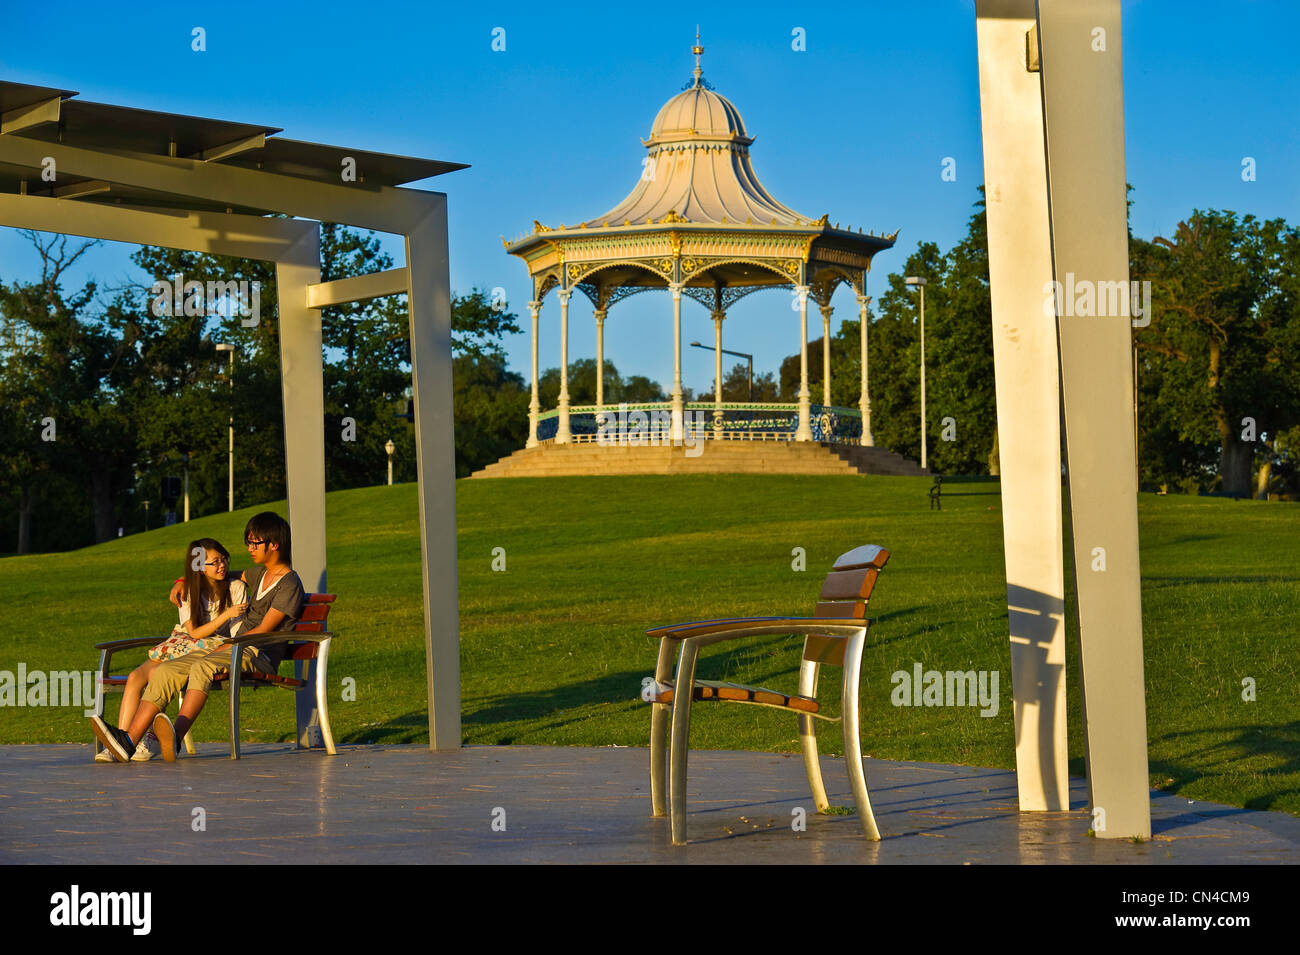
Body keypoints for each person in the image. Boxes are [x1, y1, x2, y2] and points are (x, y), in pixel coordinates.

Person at [91, 512, 305, 763]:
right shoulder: (259, 574)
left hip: (256, 652)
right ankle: (128, 741)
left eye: (254, 543)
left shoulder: (289, 584)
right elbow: (220, 572)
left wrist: (227, 646)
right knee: (166, 670)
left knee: (203, 667)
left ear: (274, 544)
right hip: (230, 648)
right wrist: (183, 580)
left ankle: (175, 737)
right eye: (248, 542)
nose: (249, 548)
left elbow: (265, 630)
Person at [96, 538, 248, 762]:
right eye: (215, 562)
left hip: (211, 649)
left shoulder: (235, 589)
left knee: (160, 673)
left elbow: (234, 635)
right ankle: (121, 743)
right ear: (198, 567)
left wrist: (227, 615)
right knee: (136, 676)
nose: (222, 565)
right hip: (186, 644)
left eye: (224, 559)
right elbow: (194, 632)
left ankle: (141, 741)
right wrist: (226, 614)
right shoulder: (187, 591)